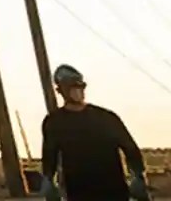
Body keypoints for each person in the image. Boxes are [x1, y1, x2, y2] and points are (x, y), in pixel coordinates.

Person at [40, 63, 149, 201]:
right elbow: (50, 155)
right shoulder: (55, 123)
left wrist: (138, 175)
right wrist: (48, 181)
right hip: (79, 193)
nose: (77, 91)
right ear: (60, 90)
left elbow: (130, 147)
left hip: (114, 192)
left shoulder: (106, 117)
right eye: (72, 87)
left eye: (80, 86)